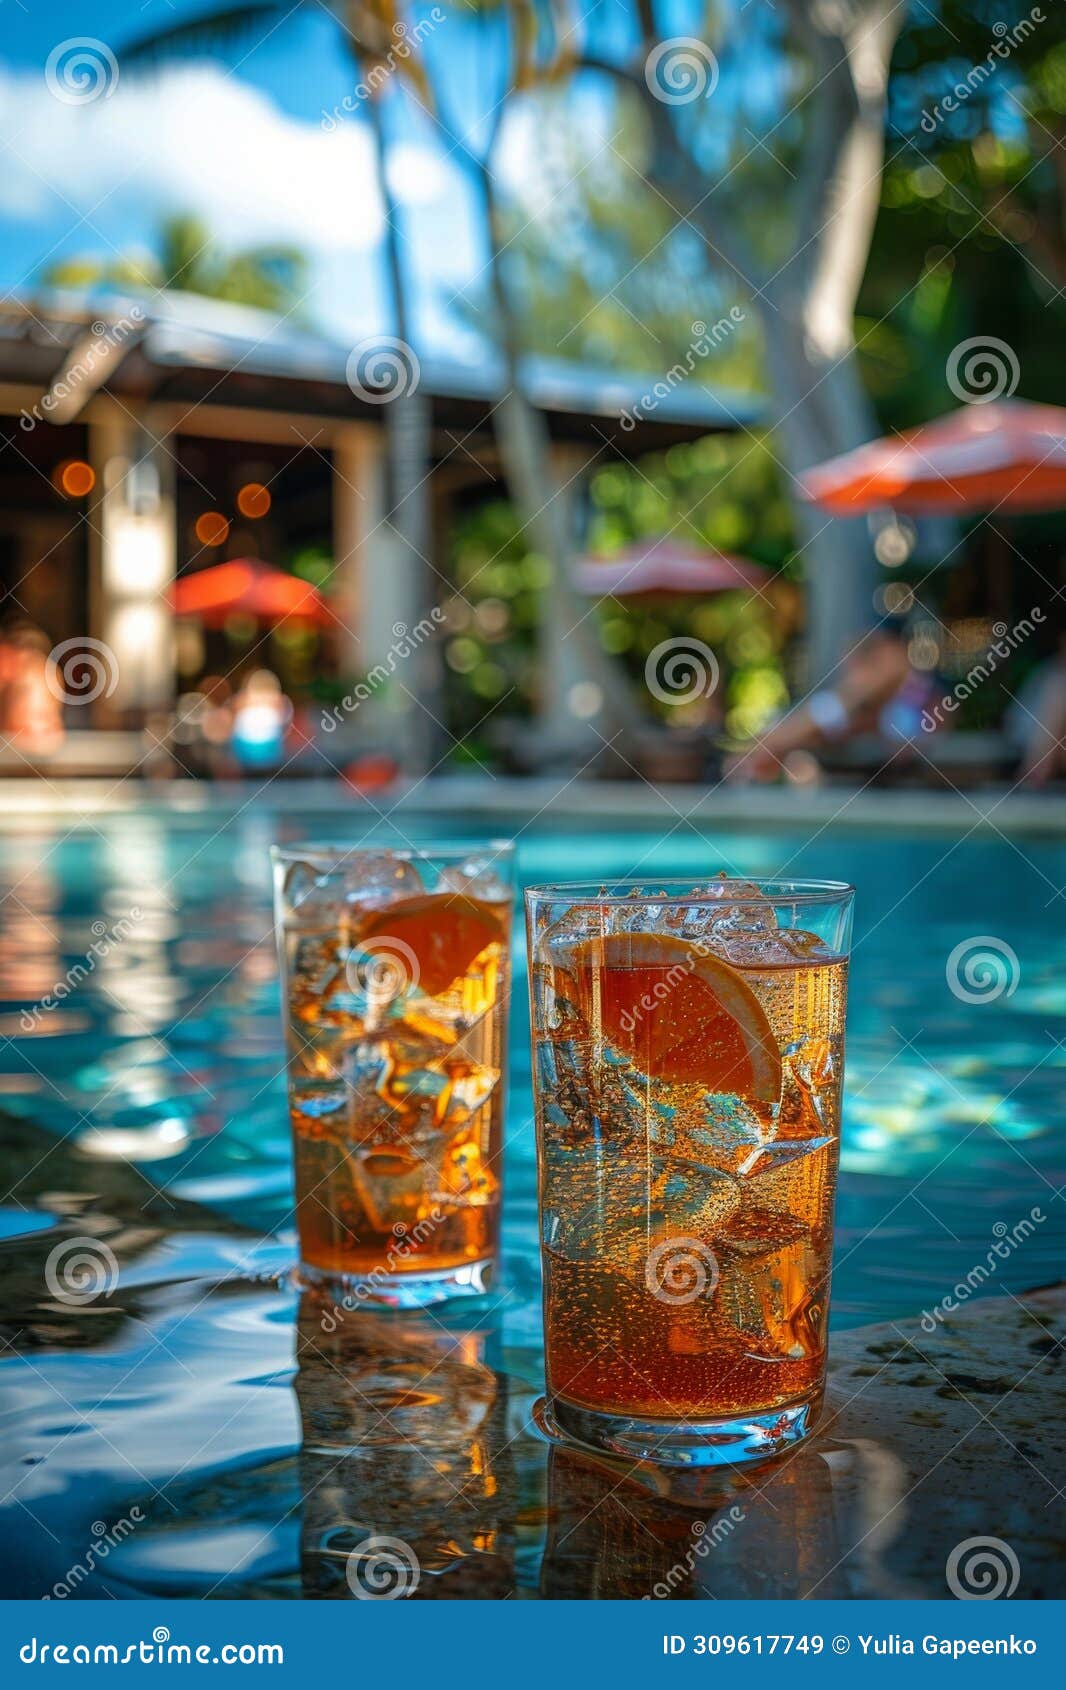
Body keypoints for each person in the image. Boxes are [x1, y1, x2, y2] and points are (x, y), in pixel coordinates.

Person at [724, 624, 939, 783]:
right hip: (867, 739)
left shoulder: (890, 677)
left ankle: (756, 755)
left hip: (896, 746)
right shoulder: (863, 694)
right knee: (817, 721)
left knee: (823, 714)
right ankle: (758, 753)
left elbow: (858, 712)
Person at [1008, 633, 1066, 787]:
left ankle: (1033, 776)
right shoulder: (1049, 674)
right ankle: (1035, 775)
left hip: (1043, 750)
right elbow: (1016, 721)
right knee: (1058, 690)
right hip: (1034, 742)